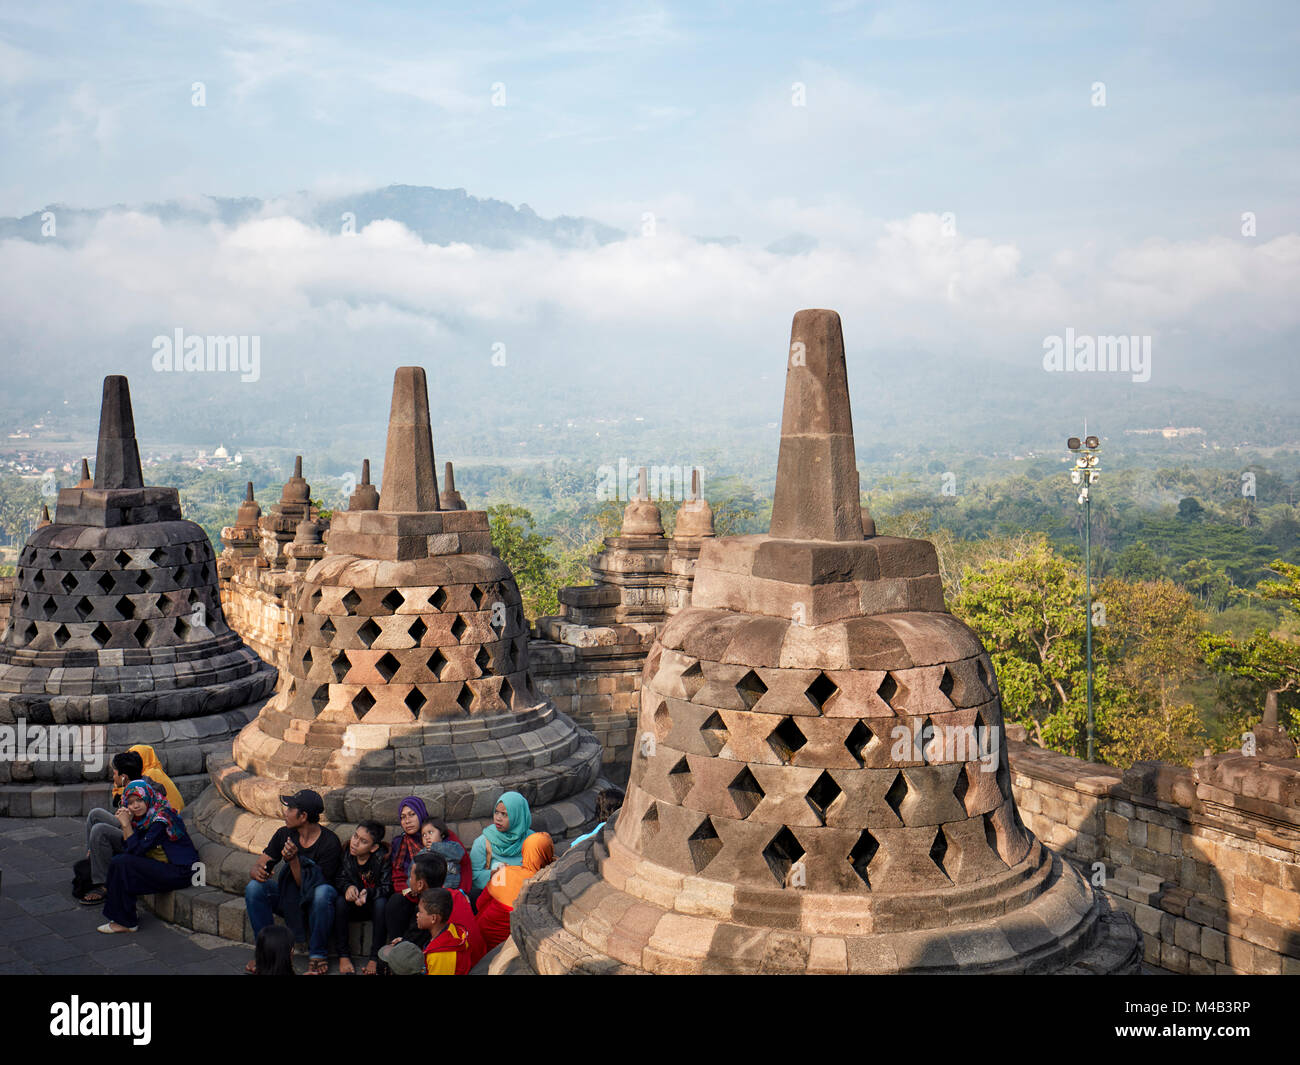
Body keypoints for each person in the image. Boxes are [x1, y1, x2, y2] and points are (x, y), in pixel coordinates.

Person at [244, 789, 342, 975]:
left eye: (290, 809)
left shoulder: (330, 843)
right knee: (254, 888)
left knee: (324, 893)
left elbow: (309, 891)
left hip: (314, 903)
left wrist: (294, 861)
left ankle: (317, 954)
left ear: (303, 816)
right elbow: (261, 863)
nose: (285, 813)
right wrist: (257, 871)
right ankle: (266, 953)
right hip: (287, 898)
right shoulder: (284, 834)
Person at [80, 746, 187, 905]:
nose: (112, 775)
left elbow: (141, 830)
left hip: (143, 843)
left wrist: (126, 821)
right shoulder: (137, 784)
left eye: (114, 773)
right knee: (95, 814)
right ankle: (92, 861)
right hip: (134, 829)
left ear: (123, 777)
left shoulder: (140, 793)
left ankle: (104, 884)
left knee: (99, 830)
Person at [98, 780, 199, 933]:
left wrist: (126, 825)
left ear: (148, 797)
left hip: (182, 871)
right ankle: (124, 916)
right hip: (165, 865)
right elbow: (129, 849)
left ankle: (126, 921)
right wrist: (129, 824)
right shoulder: (144, 819)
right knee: (120, 862)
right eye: (131, 803)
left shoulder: (161, 818)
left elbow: (137, 850)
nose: (135, 806)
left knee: (122, 863)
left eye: (139, 800)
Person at [390, 854, 486, 967]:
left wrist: (401, 943)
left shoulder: (429, 908)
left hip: (462, 965)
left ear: (420, 884)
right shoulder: (455, 894)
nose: (409, 881)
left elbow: (412, 944)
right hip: (480, 959)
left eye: (411, 877)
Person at [473, 831, 555, 950]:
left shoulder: (505, 872)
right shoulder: (547, 883)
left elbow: (479, 903)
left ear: (524, 851)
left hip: (480, 932)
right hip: (505, 945)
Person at [334, 820, 391, 975]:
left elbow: (386, 887)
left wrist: (369, 893)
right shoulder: (347, 854)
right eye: (355, 836)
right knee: (340, 902)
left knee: (381, 903)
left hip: (372, 905)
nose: (355, 843)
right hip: (354, 904)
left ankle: (375, 957)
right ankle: (343, 955)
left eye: (363, 841)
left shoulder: (382, 858)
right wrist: (348, 888)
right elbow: (339, 878)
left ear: (373, 847)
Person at [383, 796, 428, 946]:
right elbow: (397, 875)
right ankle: (396, 948)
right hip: (408, 891)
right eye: (402, 817)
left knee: (427, 905)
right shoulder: (399, 842)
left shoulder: (433, 835)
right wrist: (409, 889)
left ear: (421, 814)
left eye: (411, 814)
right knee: (395, 902)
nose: (407, 821)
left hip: (431, 890)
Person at [469, 791, 532, 893]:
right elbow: (473, 875)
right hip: (494, 896)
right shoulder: (483, 842)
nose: (498, 818)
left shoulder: (532, 840)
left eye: (504, 814)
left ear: (518, 816)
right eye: (496, 812)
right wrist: (495, 874)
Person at [417, 889, 471, 975]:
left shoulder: (440, 955)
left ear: (433, 918)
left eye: (420, 912)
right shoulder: (452, 930)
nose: (417, 915)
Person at [417, 816, 466, 888]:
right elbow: (413, 870)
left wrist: (435, 847)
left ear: (442, 834)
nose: (427, 837)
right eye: (424, 835)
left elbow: (459, 854)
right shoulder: (422, 853)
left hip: (451, 886)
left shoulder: (451, 845)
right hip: (431, 889)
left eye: (430, 832)